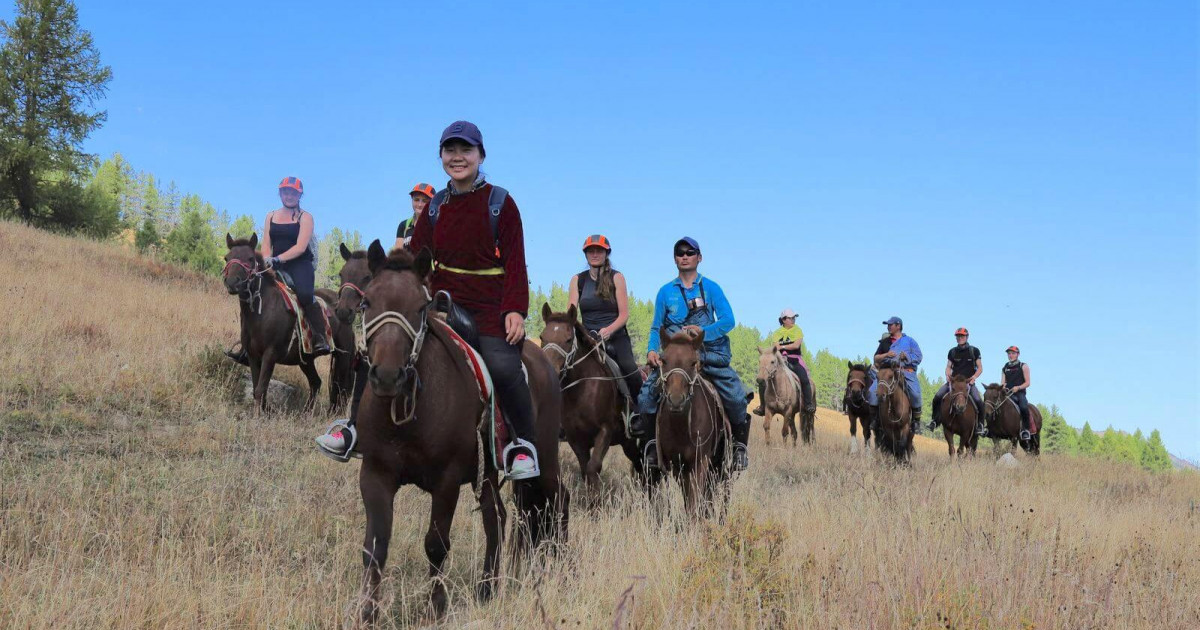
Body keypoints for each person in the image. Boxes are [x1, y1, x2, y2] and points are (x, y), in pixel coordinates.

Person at [631, 237, 751, 472]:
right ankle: (652, 445)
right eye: (680, 253)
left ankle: (739, 447)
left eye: (690, 252)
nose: (684, 256)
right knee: (645, 397)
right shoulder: (665, 292)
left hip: (706, 354)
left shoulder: (711, 288)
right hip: (674, 359)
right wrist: (652, 350)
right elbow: (656, 327)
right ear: (675, 258)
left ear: (699, 257)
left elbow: (728, 320)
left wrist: (704, 331)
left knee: (737, 397)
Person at [225, 176, 329, 365]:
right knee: (251, 292)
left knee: (305, 294)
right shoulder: (271, 216)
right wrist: (266, 260)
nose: (289, 195)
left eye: (293, 193)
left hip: (300, 264)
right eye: (285, 192)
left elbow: (300, 247)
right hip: (274, 263)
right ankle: (246, 346)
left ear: (300, 195)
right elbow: (266, 243)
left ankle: (319, 337)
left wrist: (278, 258)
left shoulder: (305, 217)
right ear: (280, 193)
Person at [567, 234, 644, 404]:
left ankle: (640, 411)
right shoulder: (577, 280)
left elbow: (624, 315)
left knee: (630, 368)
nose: (595, 254)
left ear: (606, 253)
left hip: (615, 337)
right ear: (586, 254)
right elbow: (570, 315)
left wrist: (608, 330)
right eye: (591, 251)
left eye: (599, 251)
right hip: (587, 339)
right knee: (563, 367)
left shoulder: (617, 277)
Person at [754, 308, 817, 415]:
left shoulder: (797, 330)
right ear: (783, 320)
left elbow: (796, 345)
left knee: (804, 379)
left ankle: (808, 404)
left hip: (795, 360)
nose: (793, 320)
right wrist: (782, 348)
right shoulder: (777, 333)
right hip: (780, 360)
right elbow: (775, 347)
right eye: (790, 318)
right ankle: (763, 406)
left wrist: (782, 346)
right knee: (763, 378)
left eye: (794, 318)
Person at [865, 316, 922, 429]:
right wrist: (886, 355)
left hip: (905, 371)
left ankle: (916, 421)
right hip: (886, 372)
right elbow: (876, 358)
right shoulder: (885, 342)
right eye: (888, 325)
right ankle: (875, 419)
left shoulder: (910, 341)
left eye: (890, 325)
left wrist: (906, 356)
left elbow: (919, 356)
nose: (888, 327)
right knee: (872, 392)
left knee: (915, 393)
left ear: (898, 326)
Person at [928, 327, 984, 435]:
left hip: (968, 382)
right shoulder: (952, 352)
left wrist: (974, 378)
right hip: (954, 382)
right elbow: (948, 366)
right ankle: (935, 421)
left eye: (962, 336)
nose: (960, 338)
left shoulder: (974, 351)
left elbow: (980, 368)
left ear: (967, 337)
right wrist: (947, 374)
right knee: (937, 397)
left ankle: (980, 425)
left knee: (978, 401)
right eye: (958, 336)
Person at [1002, 346, 1033, 441]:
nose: (1010, 355)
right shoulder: (1005, 367)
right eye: (1009, 353)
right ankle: (991, 429)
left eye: (1013, 353)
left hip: (1019, 393)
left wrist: (1018, 387)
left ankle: (1026, 430)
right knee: (995, 404)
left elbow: (1028, 383)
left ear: (1018, 354)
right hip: (1008, 393)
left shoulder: (1023, 366)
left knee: (1023, 407)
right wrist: (1003, 388)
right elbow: (1003, 382)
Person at [394, 183, 435, 250]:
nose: (419, 204)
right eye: (416, 200)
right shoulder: (404, 225)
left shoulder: (436, 224)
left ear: (432, 203)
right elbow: (398, 253)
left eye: (424, 201)